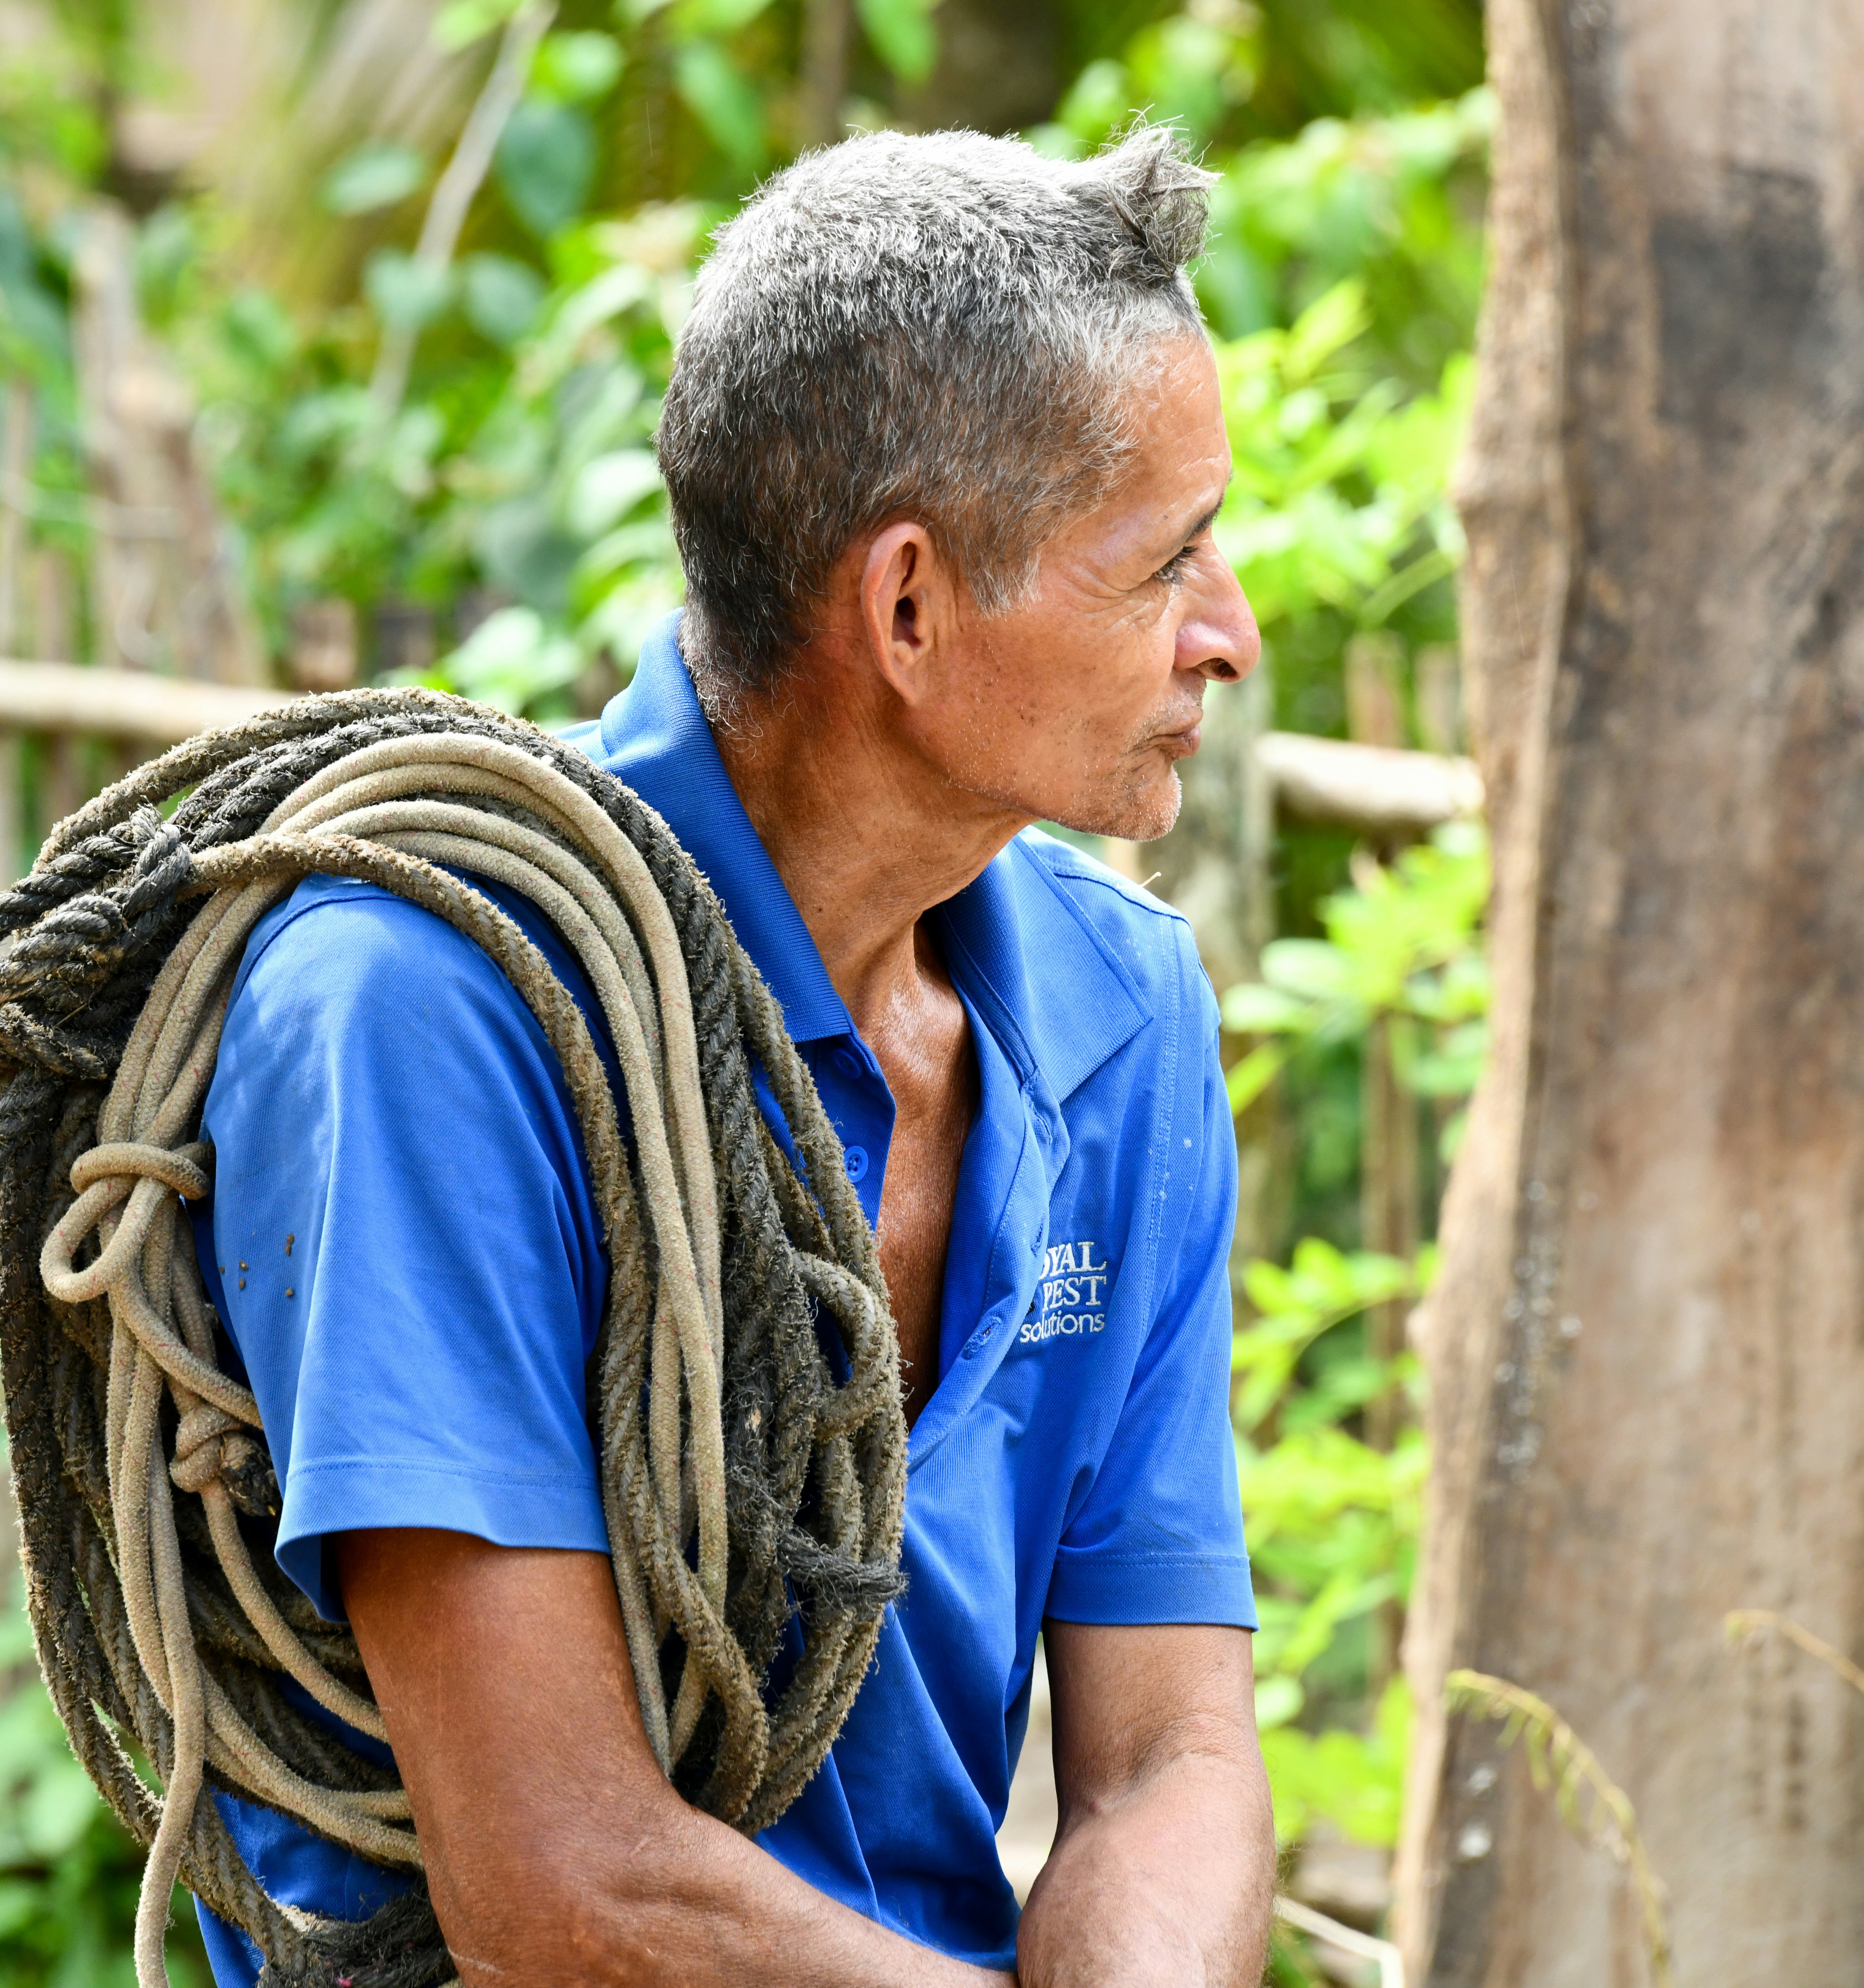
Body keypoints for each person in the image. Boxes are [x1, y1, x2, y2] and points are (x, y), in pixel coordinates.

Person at [188, 123, 1275, 1986]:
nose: (1231, 636)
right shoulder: (433, 1010)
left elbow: (1172, 1752)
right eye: (1164, 562)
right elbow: (562, 1894)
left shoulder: (1125, 1021)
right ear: (911, 606)